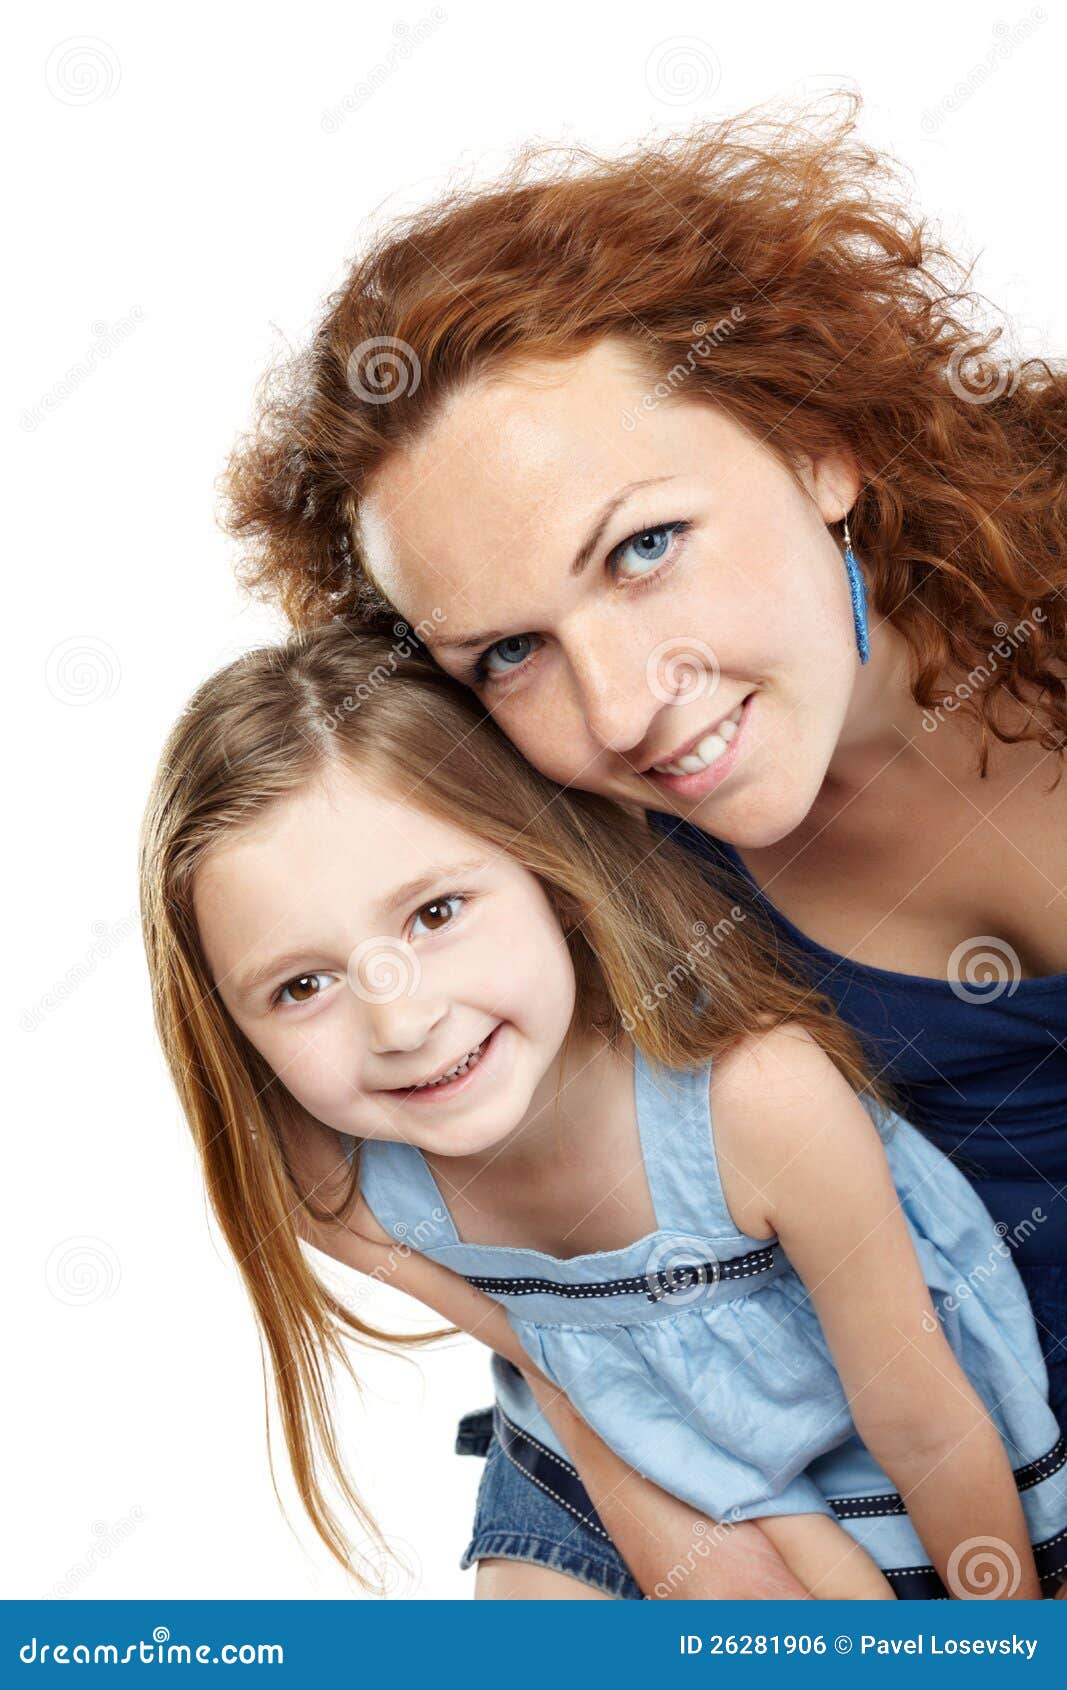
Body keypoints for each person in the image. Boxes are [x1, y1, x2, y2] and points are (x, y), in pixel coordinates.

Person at [219, 93, 1067, 1596]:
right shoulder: (557, 844)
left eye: (642, 548)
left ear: (817, 445)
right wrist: (611, 1436)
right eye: (506, 651)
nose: (618, 709)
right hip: (758, 1436)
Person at [139, 622, 1067, 1600]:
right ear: (231, 1029)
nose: (400, 1021)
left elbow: (924, 1422)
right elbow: (562, 1378)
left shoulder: (760, 1104)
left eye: (437, 912)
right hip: (614, 1437)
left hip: (899, 1451)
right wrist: (747, 1553)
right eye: (300, 986)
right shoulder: (327, 1181)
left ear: (550, 874)